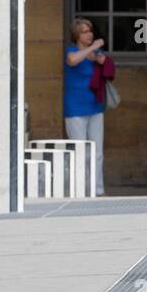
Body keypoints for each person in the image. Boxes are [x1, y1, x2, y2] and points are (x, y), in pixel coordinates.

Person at [64, 17, 110, 195]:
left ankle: (97, 189)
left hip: (95, 106)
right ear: (77, 35)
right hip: (75, 108)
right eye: (84, 31)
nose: (89, 34)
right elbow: (73, 60)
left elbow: (107, 67)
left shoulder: (95, 53)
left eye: (90, 31)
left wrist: (101, 59)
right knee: (79, 150)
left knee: (97, 151)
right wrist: (91, 48)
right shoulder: (71, 51)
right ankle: (80, 189)